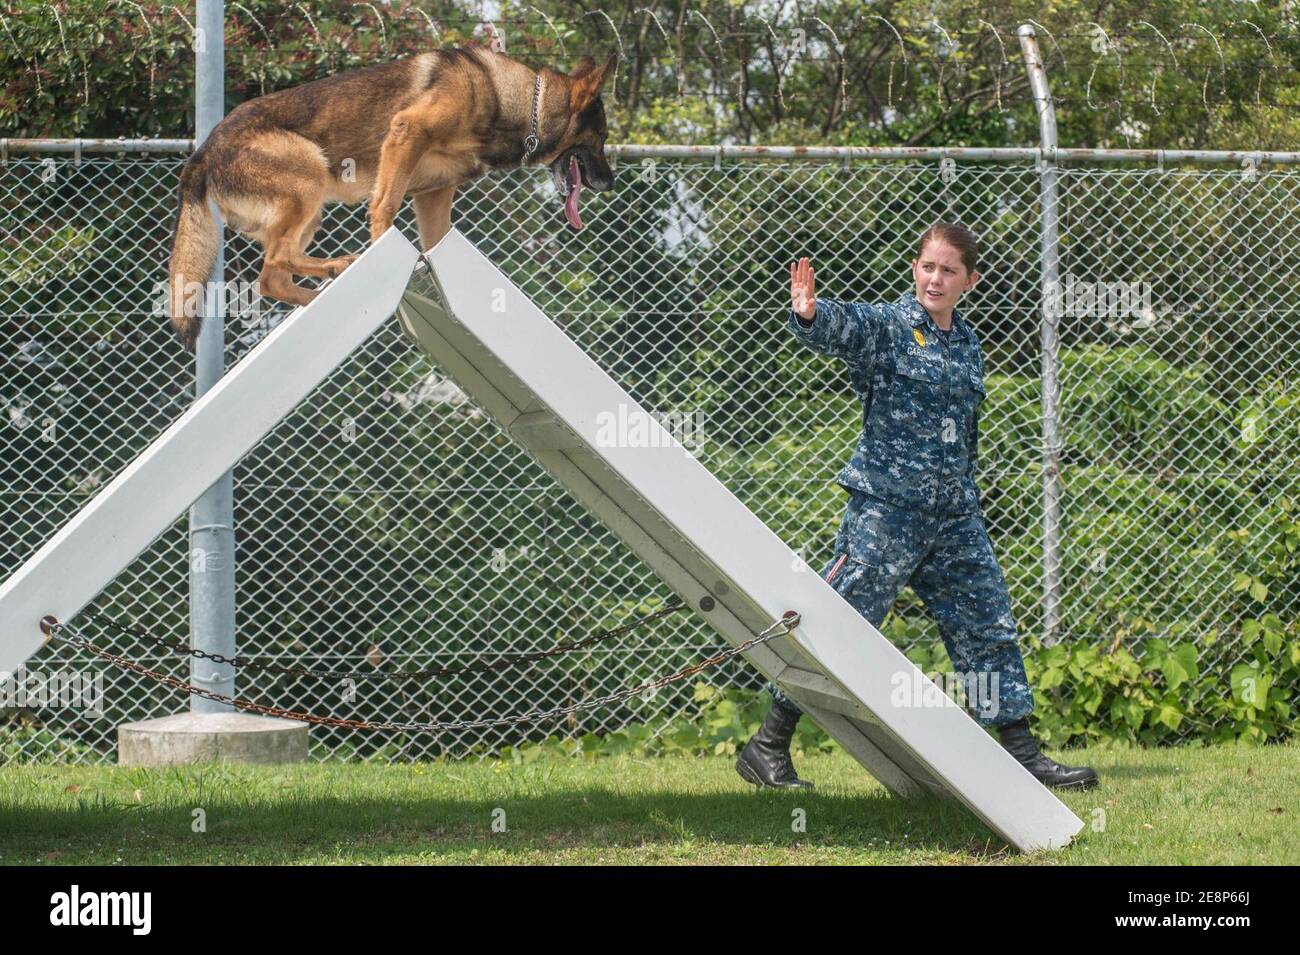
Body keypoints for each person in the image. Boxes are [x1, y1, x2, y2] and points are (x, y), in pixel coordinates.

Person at [735, 222, 1099, 792]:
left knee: (988, 624)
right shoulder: (890, 326)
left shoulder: (968, 344)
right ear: (915, 269)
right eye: (928, 266)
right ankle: (768, 746)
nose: (935, 278)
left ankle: (1022, 755)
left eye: (949, 270)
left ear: (969, 281)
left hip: (954, 517)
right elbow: (845, 326)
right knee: (840, 623)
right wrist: (810, 314)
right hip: (887, 513)